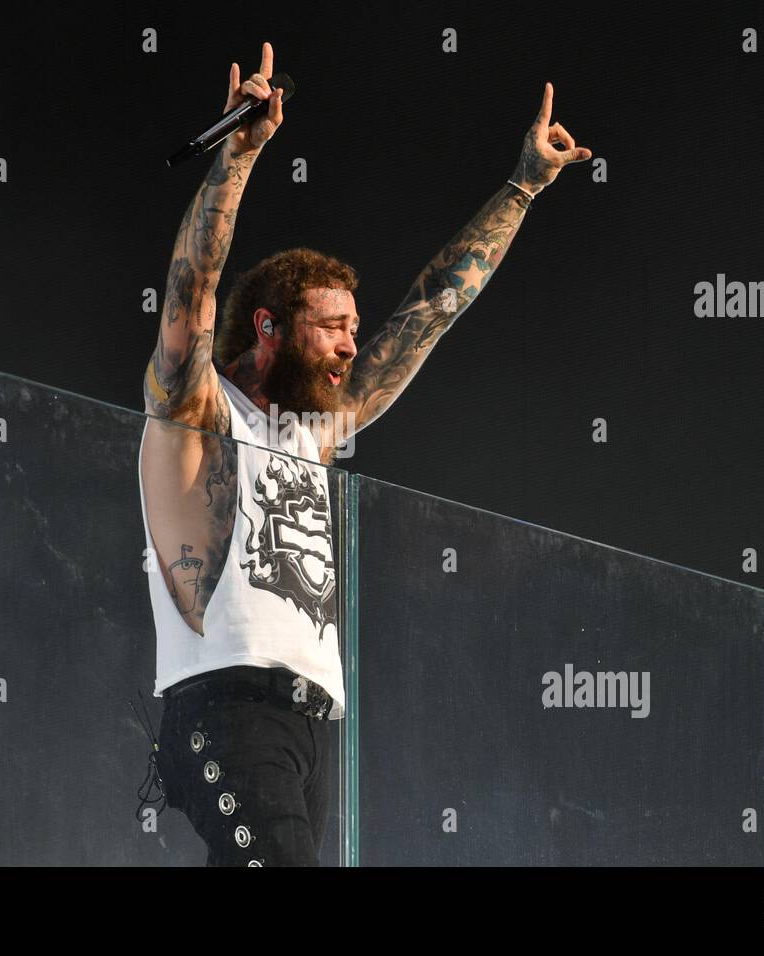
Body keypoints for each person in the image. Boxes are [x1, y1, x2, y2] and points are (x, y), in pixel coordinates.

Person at [134, 41, 590, 865]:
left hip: (310, 726)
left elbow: (434, 309)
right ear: (269, 327)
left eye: (353, 325)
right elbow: (190, 293)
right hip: (224, 705)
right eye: (332, 326)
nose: (352, 344)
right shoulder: (199, 411)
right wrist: (238, 158)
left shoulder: (314, 430)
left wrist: (522, 188)